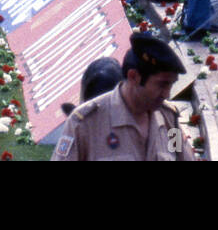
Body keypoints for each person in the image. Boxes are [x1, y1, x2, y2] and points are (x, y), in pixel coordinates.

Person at [50, 33, 190, 161]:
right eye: (162, 85)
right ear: (133, 76)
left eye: (171, 85)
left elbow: (182, 157)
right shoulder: (84, 124)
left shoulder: (170, 122)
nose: (167, 94)